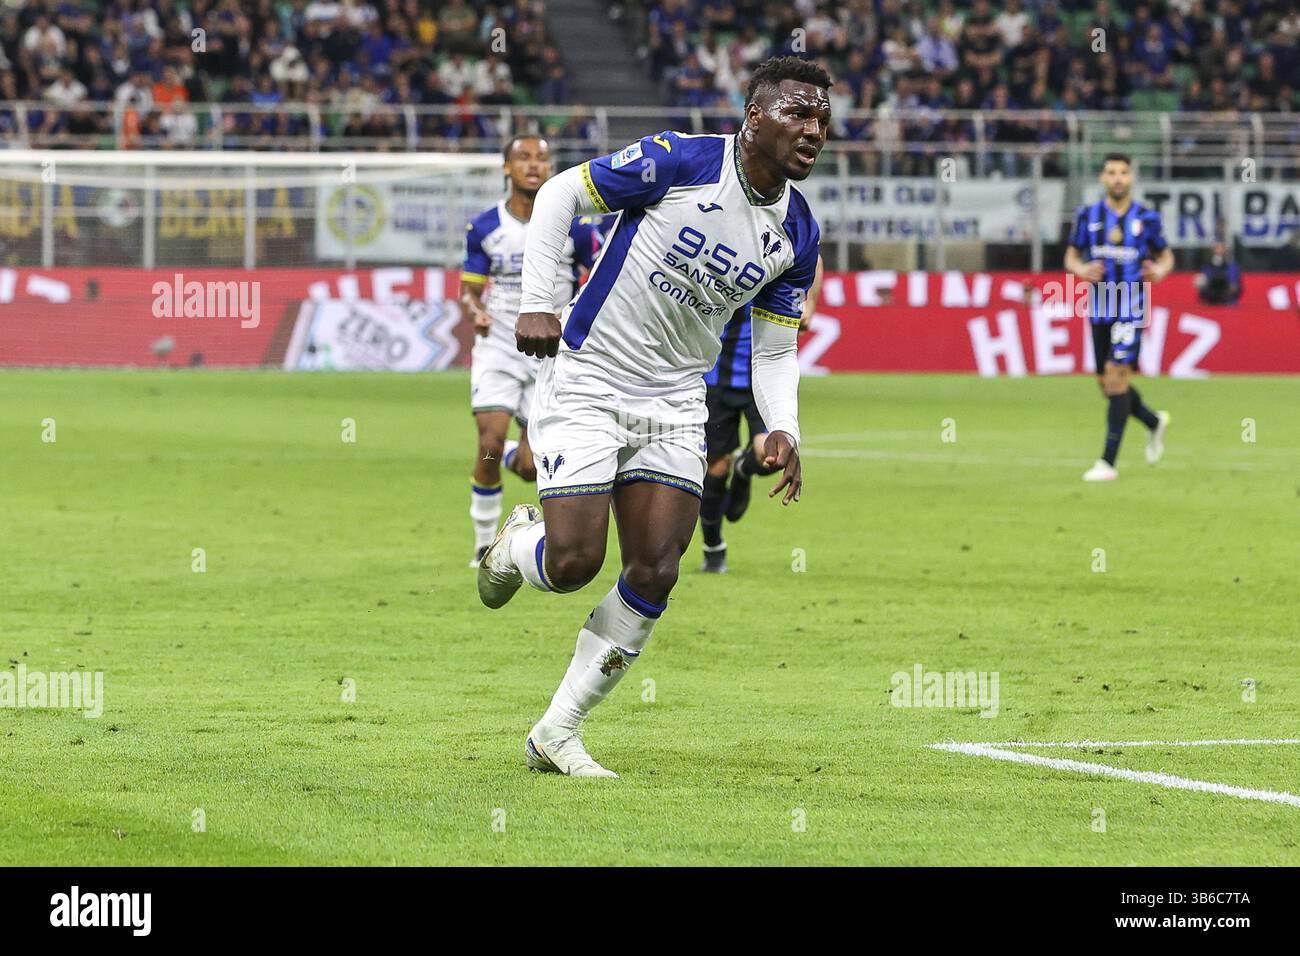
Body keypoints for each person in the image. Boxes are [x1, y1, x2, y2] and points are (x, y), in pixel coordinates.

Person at [476, 56, 830, 777]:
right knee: (574, 562)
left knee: (657, 569)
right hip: (591, 377)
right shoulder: (679, 160)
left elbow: (773, 350)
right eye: (798, 112)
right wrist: (540, 300)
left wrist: (784, 427)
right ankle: (516, 546)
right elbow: (557, 198)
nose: (814, 129)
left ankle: (558, 732)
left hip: (674, 401)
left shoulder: (797, 233)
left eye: (822, 117)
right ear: (754, 117)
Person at [462, 135, 604, 566]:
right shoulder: (485, 227)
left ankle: (512, 452)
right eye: (523, 158)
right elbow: (469, 291)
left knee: (528, 466)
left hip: (549, 353)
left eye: (542, 158)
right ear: (507, 168)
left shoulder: (576, 227)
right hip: (499, 349)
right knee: (487, 440)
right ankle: (484, 545)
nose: (534, 165)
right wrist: (476, 311)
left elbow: (599, 274)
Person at [699, 254, 823, 573]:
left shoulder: (775, 244)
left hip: (763, 376)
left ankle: (744, 468)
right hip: (716, 378)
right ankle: (713, 549)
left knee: (770, 455)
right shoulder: (718, 248)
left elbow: (815, 256)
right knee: (716, 466)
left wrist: (810, 305)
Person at [1064, 153, 1173, 481]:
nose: (1117, 178)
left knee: (1116, 378)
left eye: (1123, 172)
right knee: (1107, 385)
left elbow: (1166, 256)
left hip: (1131, 305)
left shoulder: (1147, 218)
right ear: (1102, 178)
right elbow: (1070, 257)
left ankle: (1107, 463)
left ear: (1132, 177)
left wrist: (1159, 272)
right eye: (1111, 172)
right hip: (1098, 306)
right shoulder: (1088, 215)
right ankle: (1154, 422)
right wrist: (1082, 269)